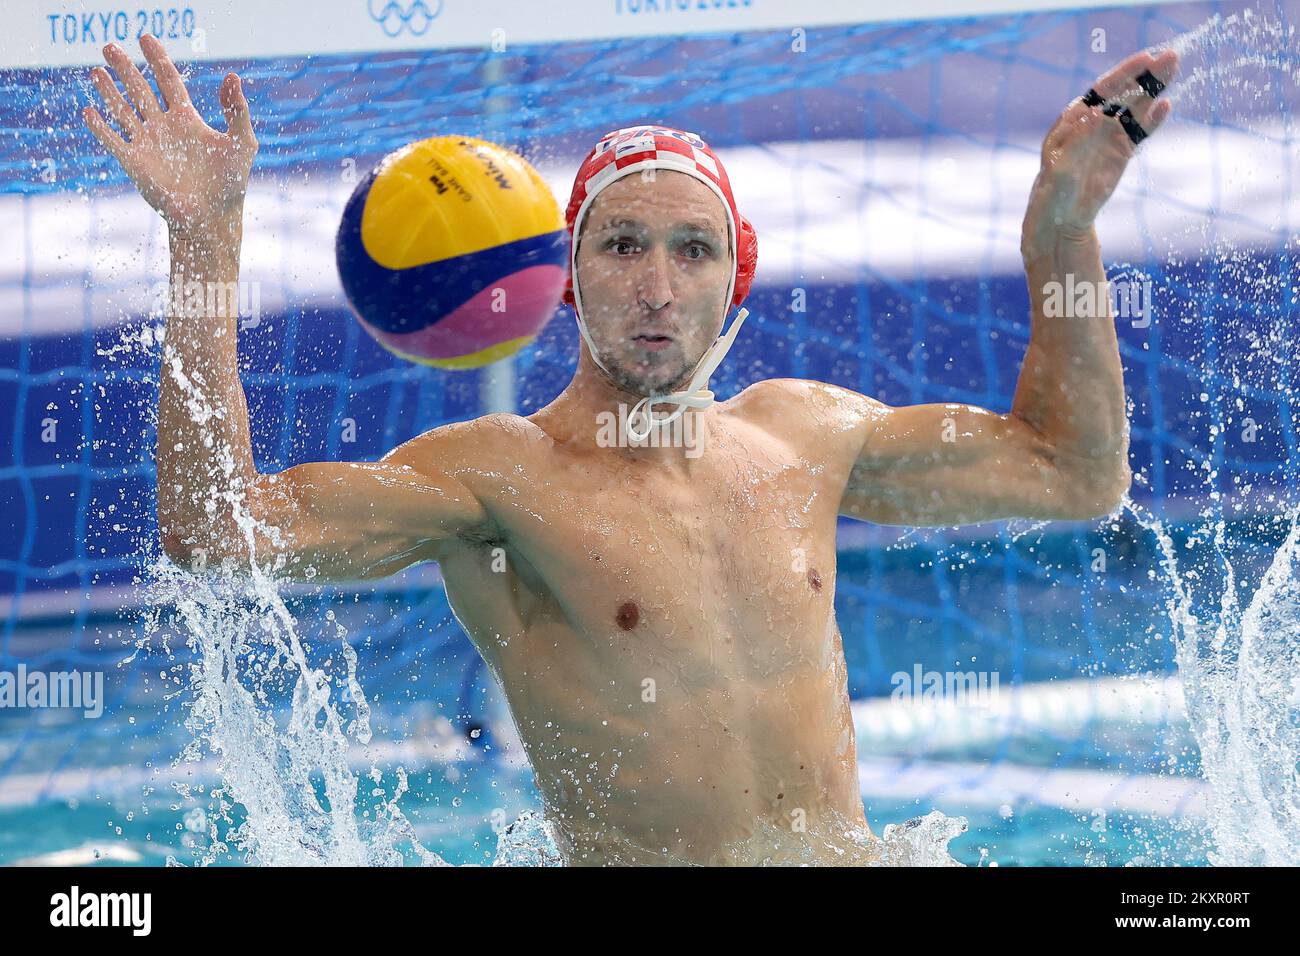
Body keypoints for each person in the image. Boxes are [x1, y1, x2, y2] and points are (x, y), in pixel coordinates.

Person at [83, 34, 1177, 865]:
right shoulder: (499, 475)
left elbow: (1072, 473)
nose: (657, 287)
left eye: (691, 250)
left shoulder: (804, 434)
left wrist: (1063, 233)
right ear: (569, 272)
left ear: (732, 276)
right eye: (621, 245)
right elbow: (217, 530)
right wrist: (204, 244)